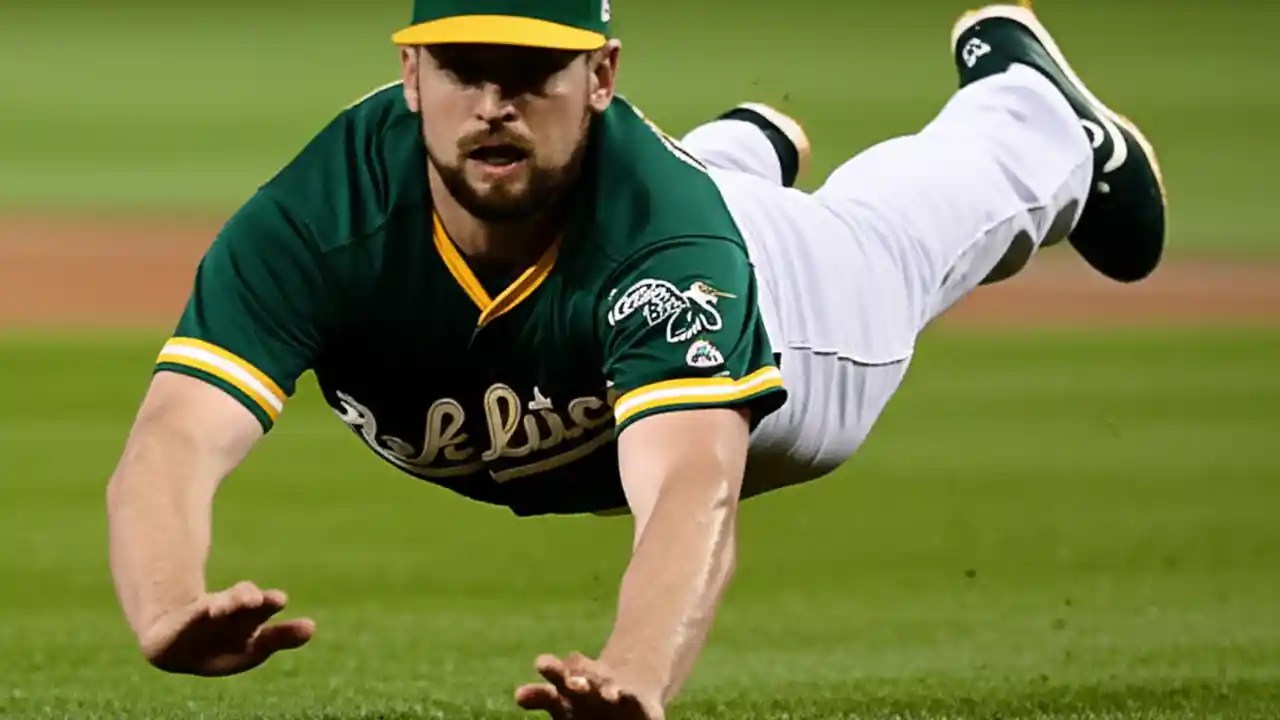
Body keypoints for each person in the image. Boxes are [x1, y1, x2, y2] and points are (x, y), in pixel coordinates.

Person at [105, 1, 1165, 717]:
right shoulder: (318, 218)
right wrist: (163, 601)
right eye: (466, 69)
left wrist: (636, 669)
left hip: (779, 298)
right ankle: (738, 149)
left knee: (889, 246)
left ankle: (1028, 117)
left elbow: (697, 485)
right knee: (590, 199)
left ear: (601, 73)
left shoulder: (669, 247)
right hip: (627, 236)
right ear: (411, 74)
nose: (494, 104)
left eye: (533, 72)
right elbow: (175, 434)